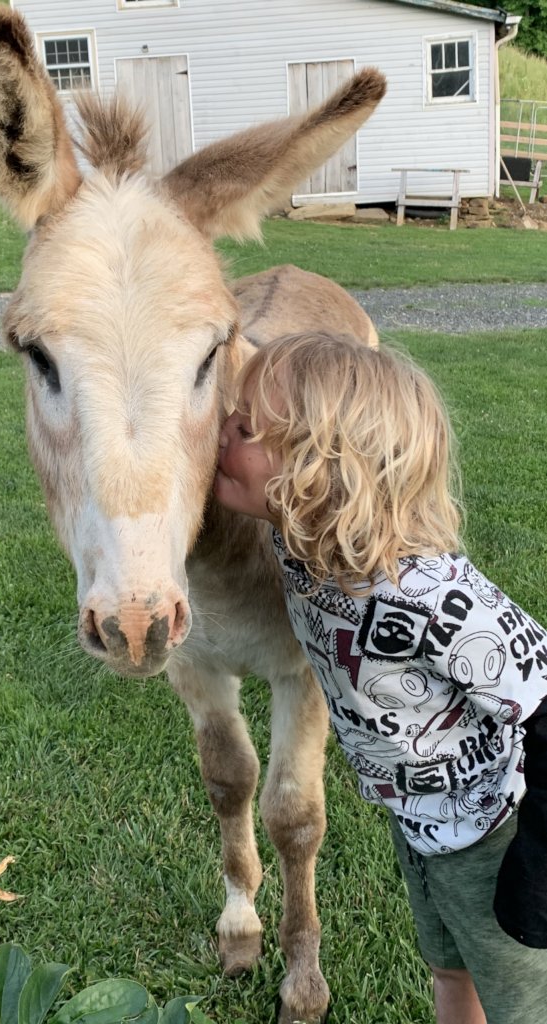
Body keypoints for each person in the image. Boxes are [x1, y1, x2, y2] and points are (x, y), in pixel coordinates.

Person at [213, 330, 547, 1024]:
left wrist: (537, 869)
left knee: (522, 1007)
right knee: (447, 969)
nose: (219, 432)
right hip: (417, 825)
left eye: (243, 429)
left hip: (496, 839)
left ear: (317, 472)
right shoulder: (299, 545)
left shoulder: (426, 597)